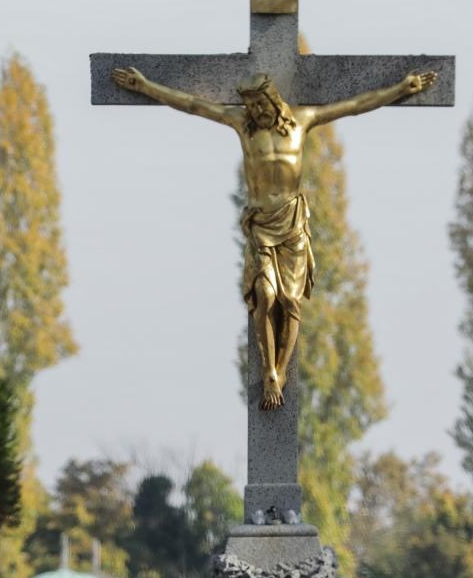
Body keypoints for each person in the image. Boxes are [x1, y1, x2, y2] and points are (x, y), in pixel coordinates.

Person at [110, 64, 436, 409]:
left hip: (293, 224)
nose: (257, 112)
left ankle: (280, 371)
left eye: (261, 105)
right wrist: (146, 86)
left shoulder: (303, 120)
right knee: (265, 296)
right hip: (262, 224)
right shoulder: (243, 127)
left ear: (273, 99)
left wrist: (402, 89)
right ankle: (268, 373)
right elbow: (193, 104)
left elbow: (356, 105)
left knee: (291, 302)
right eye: (251, 107)